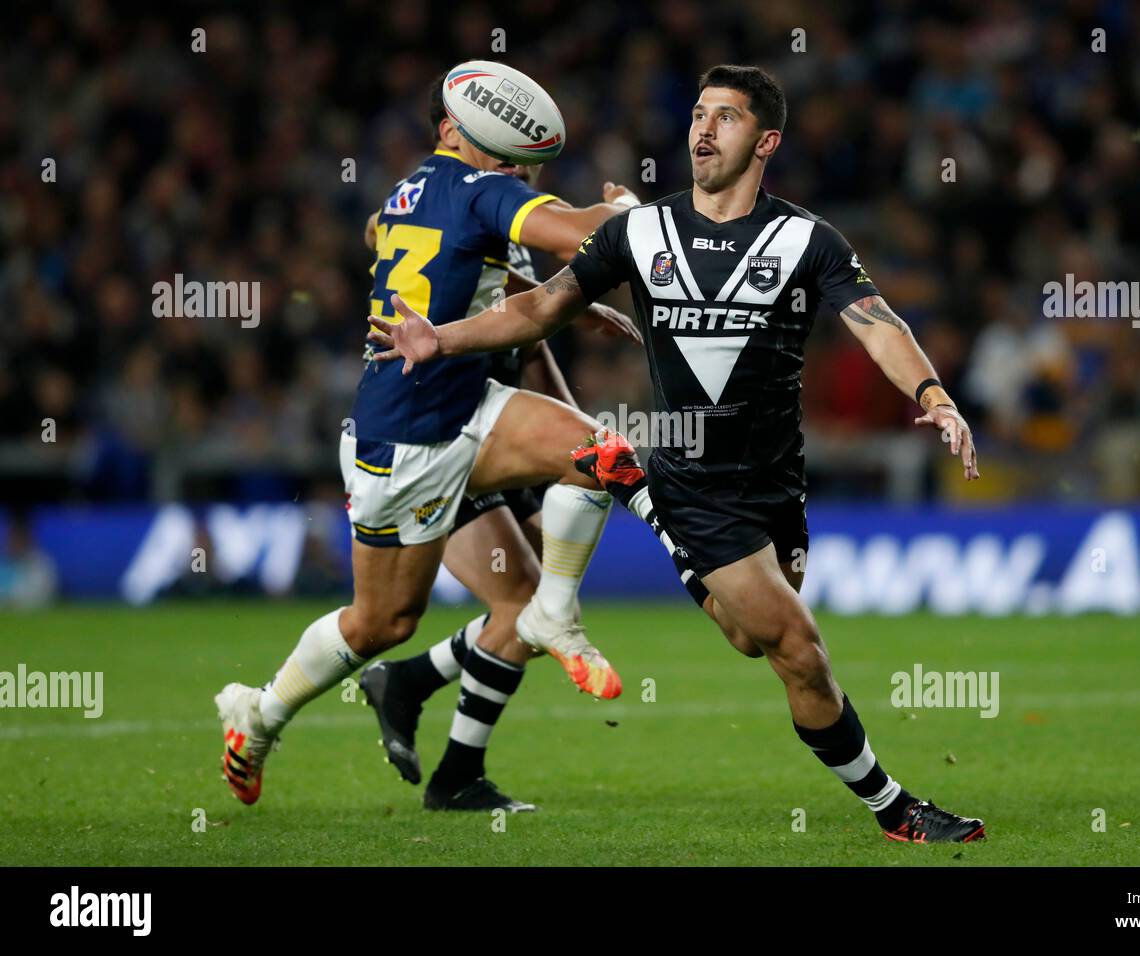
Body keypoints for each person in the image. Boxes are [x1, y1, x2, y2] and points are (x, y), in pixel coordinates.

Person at [367, 65, 987, 842]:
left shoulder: (805, 238)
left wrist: (933, 395)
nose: (702, 128)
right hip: (695, 480)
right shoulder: (639, 231)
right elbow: (538, 307)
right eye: (697, 113)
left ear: (765, 142)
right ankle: (895, 809)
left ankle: (664, 541)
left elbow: (876, 320)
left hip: (774, 482)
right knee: (800, 651)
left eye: (724, 117)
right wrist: (443, 336)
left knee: (745, 637)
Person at [217, 71, 642, 813]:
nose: (520, 172)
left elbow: (404, 248)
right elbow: (584, 234)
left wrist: (555, 304)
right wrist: (625, 209)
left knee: (600, 457)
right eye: (516, 160)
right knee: (381, 622)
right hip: (407, 443)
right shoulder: (484, 189)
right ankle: (259, 717)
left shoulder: (411, 193)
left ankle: (547, 628)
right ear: (455, 131)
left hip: (468, 410)